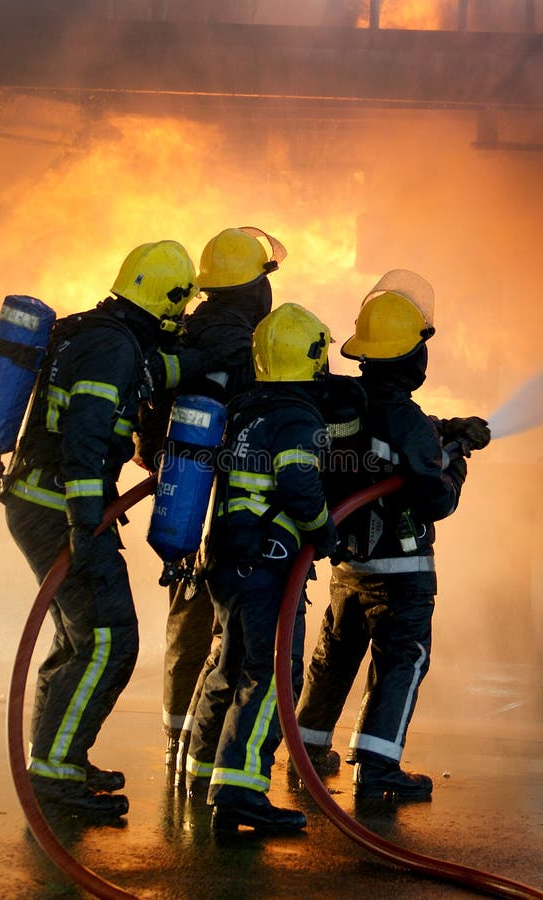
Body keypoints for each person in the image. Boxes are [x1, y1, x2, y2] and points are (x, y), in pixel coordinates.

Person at [2, 240, 211, 820]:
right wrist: (84, 522)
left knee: (78, 638)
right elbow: (87, 436)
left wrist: (211, 358)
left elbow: (157, 370)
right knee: (108, 639)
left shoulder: (99, 334)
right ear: (165, 298)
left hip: (41, 499)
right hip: (59, 506)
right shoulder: (112, 348)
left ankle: (56, 760)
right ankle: (55, 779)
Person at [293, 270, 491, 801]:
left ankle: (306, 753)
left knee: (334, 655)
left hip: (347, 561)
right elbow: (436, 498)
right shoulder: (402, 416)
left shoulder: (346, 399)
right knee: (402, 658)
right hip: (402, 569)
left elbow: (389, 434)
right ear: (412, 356)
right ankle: (378, 769)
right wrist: (456, 465)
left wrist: (447, 429)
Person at [134, 227, 286, 778]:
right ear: (252, 287)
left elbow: (151, 409)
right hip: (234, 503)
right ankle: (211, 748)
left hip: (185, 494)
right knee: (236, 622)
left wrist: (159, 459)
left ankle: (177, 740)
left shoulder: (182, 332)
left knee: (187, 608)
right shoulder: (252, 342)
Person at [185, 302, 339, 833]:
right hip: (267, 566)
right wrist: (324, 529)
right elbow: (299, 485)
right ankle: (240, 789)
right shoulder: (296, 417)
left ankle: (202, 771)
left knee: (229, 666)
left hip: (227, 562)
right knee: (271, 673)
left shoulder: (245, 408)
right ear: (311, 359)